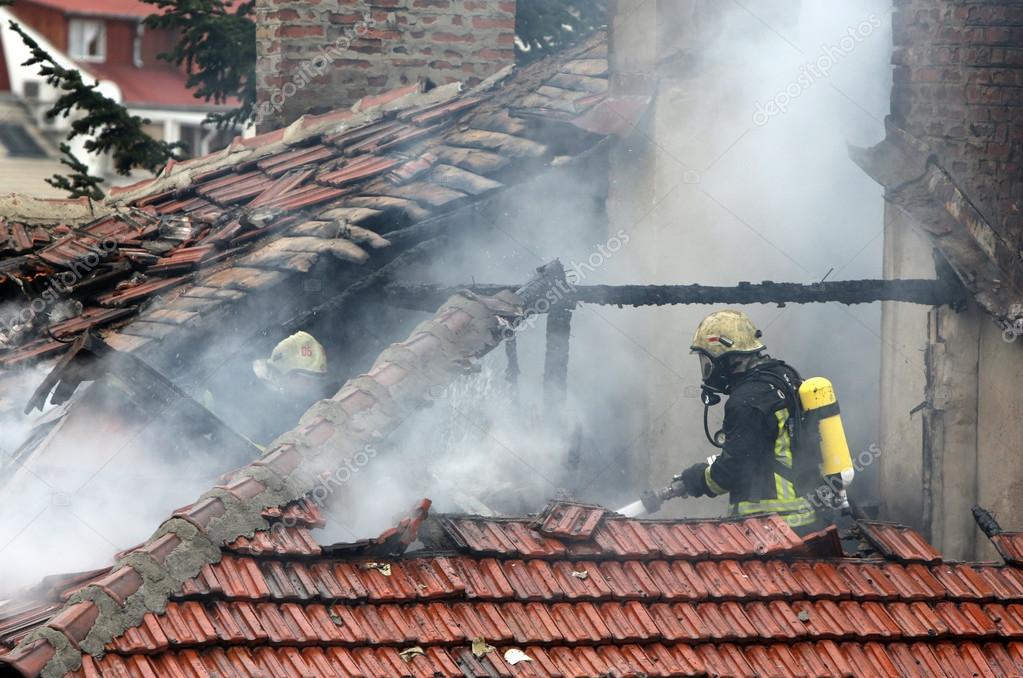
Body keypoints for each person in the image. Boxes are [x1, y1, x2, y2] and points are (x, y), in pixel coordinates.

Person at [674, 309, 824, 534]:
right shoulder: (784, 377)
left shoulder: (745, 402)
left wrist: (696, 478)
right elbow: (764, 450)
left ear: (726, 359)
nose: (707, 372)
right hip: (805, 519)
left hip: (769, 526)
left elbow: (730, 473)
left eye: (707, 362)